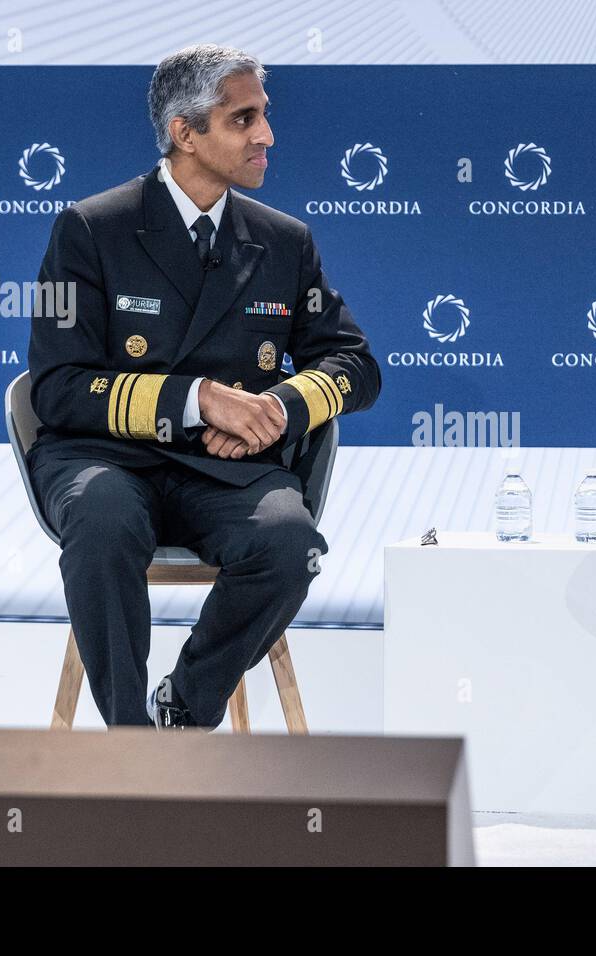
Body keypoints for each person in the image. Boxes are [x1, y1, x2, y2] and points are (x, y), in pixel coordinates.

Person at [26, 44, 380, 730]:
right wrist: (196, 399)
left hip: (227, 469)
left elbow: (355, 366)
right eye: (243, 119)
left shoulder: (284, 241)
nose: (266, 136)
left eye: (264, 117)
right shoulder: (90, 229)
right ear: (185, 133)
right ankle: (132, 750)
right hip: (105, 458)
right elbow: (57, 389)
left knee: (290, 544)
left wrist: (275, 408)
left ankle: (183, 709)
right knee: (102, 523)